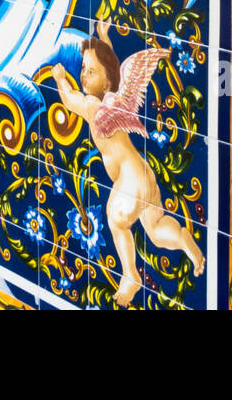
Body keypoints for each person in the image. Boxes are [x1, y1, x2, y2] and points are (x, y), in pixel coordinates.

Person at [51, 19, 205, 306]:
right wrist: (103, 37)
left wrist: (60, 78)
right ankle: (182, 238)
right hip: (143, 173)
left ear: (107, 81)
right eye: (83, 69)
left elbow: (70, 100)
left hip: (131, 179)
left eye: (90, 72)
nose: (83, 76)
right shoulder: (114, 96)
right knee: (156, 229)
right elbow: (114, 68)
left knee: (116, 220)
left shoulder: (94, 107)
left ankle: (130, 275)